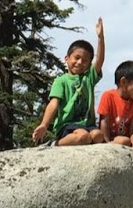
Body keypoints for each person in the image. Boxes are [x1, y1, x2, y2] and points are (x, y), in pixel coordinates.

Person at [32, 18, 105, 146]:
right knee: (83, 137)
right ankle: (55, 144)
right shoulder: (61, 81)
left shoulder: (88, 78)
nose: (80, 62)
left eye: (85, 60)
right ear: (67, 58)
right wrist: (44, 125)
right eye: (77, 58)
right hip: (67, 125)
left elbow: (99, 60)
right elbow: (53, 104)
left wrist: (100, 39)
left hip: (88, 124)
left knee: (98, 136)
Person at [97, 60, 133, 150]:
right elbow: (104, 122)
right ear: (123, 82)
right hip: (113, 138)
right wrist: (106, 142)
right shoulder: (108, 96)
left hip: (127, 138)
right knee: (123, 141)